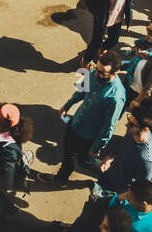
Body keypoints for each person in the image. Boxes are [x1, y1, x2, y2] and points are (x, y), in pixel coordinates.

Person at [40, 50, 127, 187]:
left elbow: (109, 126)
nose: (97, 74)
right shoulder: (94, 73)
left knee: (82, 159)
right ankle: (62, 178)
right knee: (72, 154)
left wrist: (97, 147)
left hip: (88, 135)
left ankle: (113, 173)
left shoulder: (116, 97)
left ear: (114, 73)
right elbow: (82, 90)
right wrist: (68, 104)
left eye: (102, 73)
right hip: (76, 122)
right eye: (96, 69)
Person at [79, 0, 138, 68]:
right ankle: (86, 60)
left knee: (113, 40)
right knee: (96, 41)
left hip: (118, 15)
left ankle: (103, 48)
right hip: (104, 17)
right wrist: (95, 10)